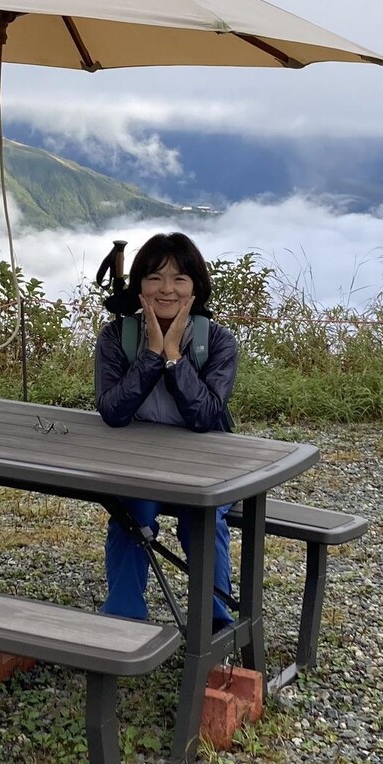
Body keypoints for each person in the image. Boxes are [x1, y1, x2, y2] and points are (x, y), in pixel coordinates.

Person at [95, 232, 238, 630]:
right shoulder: (116, 338)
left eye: (179, 279)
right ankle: (123, 621)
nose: (166, 289)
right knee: (131, 513)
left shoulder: (219, 342)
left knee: (203, 517)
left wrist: (174, 358)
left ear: (196, 287)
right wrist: (151, 354)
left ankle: (215, 626)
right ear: (139, 285)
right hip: (141, 465)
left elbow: (207, 415)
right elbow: (112, 410)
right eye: (155, 278)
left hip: (204, 466)